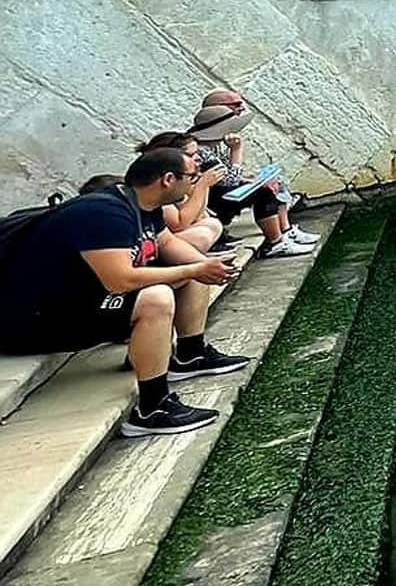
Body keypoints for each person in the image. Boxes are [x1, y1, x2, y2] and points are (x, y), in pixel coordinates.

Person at [0, 148, 248, 436]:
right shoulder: (104, 214)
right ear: (168, 179)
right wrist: (195, 270)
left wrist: (208, 265)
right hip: (32, 321)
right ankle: (151, 409)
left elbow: (168, 245)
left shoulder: (143, 205)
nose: (196, 183)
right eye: (192, 177)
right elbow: (121, 280)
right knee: (157, 296)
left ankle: (191, 355)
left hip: (75, 303)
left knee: (191, 269)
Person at [189, 92, 318, 259]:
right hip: (211, 200)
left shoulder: (214, 145)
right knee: (263, 193)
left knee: (274, 181)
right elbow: (229, 180)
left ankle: (285, 230)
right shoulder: (202, 150)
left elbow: (227, 173)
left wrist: (254, 178)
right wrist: (237, 151)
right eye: (235, 105)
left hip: (217, 192)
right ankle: (275, 243)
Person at [134, 132, 224, 255]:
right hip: (149, 243)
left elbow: (199, 216)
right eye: (190, 155)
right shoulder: (158, 182)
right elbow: (179, 223)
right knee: (201, 236)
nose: (198, 158)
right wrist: (202, 186)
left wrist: (203, 185)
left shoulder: (181, 178)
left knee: (213, 224)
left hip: (166, 237)